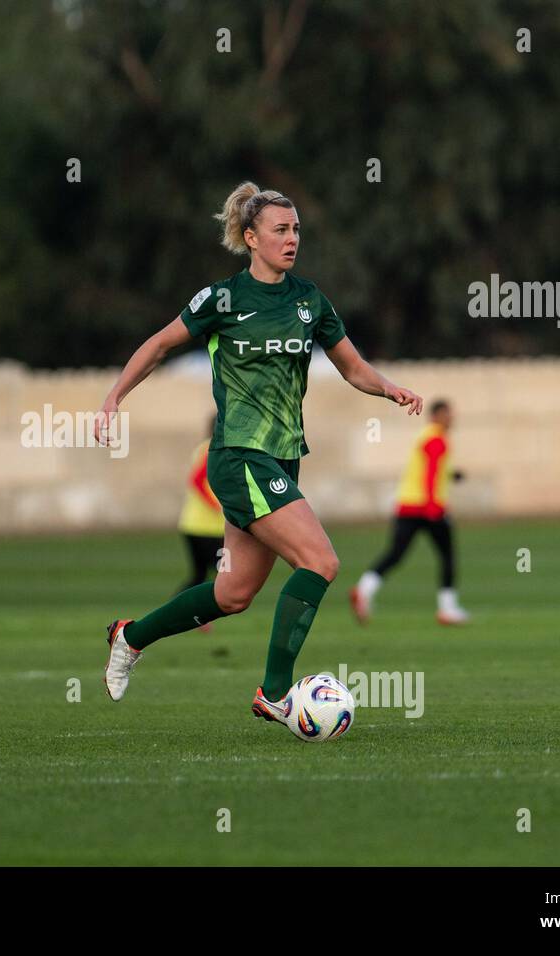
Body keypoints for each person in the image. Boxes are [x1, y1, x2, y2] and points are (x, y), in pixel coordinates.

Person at [96, 181, 423, 728]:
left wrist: (390, 388)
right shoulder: (222, 300)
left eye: (296, 229)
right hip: (239, 456)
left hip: (283, 458)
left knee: (234, 593)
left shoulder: (310, 301)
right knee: (320, 561)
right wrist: (112, 399)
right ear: (251, 238)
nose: (291, 239)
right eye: (280, 230)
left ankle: (131, 637)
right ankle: (273, 692)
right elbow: (158, 345)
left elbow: (351, 366)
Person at [350, 399, 469, 625]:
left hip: (407, 505)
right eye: (448, 414)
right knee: (447, 556)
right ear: (436, 415)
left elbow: (429, 468)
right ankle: (448, 608)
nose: (452, 418)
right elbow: (431, 474)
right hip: (427, 507)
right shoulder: (437, 439)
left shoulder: (425, 436)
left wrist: (452, 475)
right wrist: (435, 507)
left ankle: (363, 590)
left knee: (396, 553)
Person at [176, 418, 225, 632]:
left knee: (200, 575)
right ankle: (196, 615)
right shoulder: (212, 448)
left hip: (195, 525)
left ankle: (181, 612)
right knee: (227, 574)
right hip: (205, 527)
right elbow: (197, 479)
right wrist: (216, 504)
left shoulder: (205, 448)